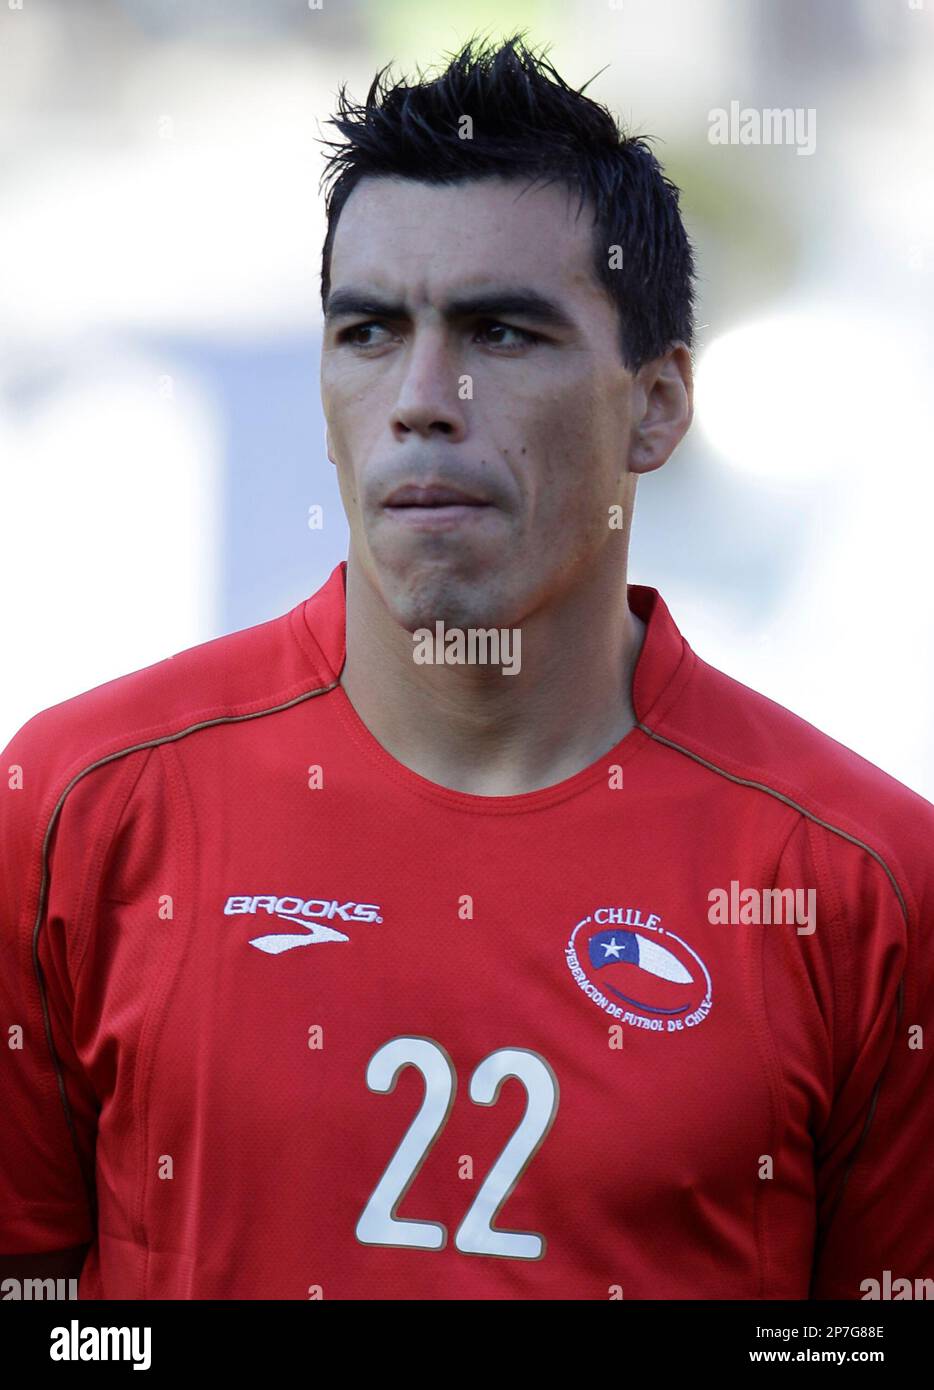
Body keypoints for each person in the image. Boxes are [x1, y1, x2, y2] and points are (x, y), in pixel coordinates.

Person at [1, 33, 931, 1301]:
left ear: (655, 405)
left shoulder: (864, 880)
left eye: (501, 332)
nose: (422, 397)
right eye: (371, 331)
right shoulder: (71, 803)